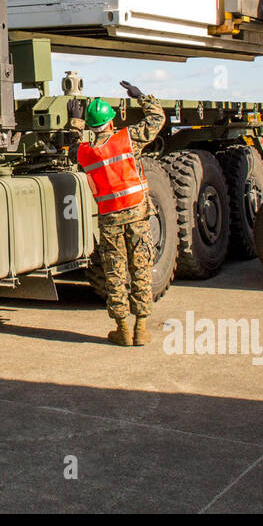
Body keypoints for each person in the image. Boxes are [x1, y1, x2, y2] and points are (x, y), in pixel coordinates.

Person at [75, 82, 166, 347]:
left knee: (115, 273)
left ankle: (122, 329)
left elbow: (73, 146)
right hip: (137, 214)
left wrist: (75, 124)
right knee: (141, 269)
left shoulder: (86, 153)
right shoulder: (127, 140)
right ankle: (141, 329)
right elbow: (157, 118)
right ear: (111, 123)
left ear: (92, 127)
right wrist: (142, 97)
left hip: (111, 220)